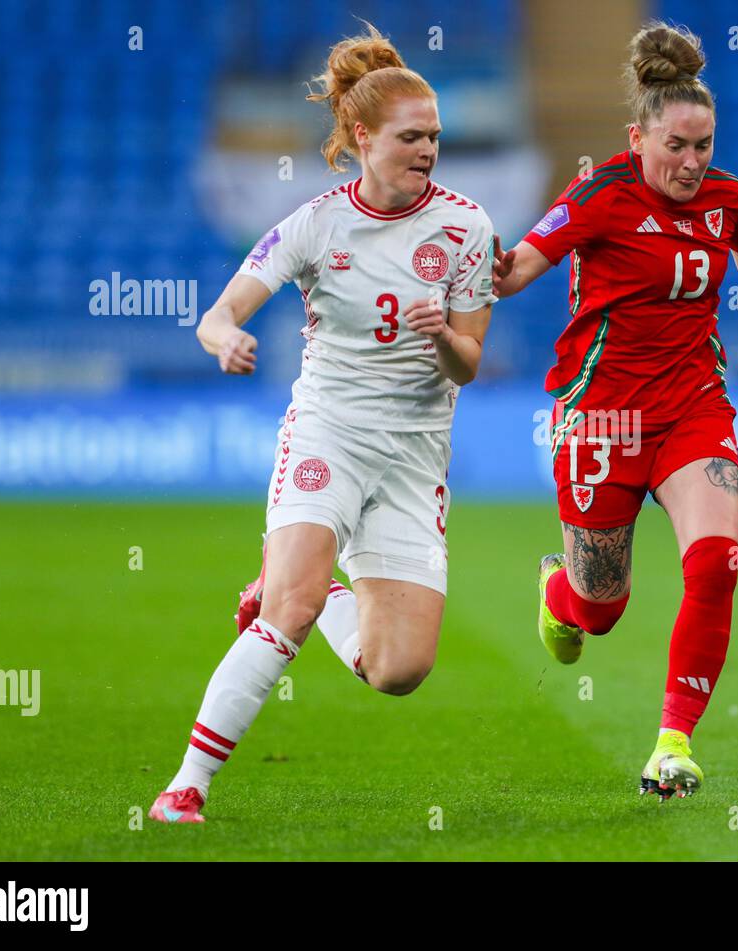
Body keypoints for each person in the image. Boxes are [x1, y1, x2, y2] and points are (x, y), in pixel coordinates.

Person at [493, 22, 738, 800]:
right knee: (599, 612)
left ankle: (672, 744)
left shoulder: (727, 200)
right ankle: (558, 595)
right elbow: (516, 270)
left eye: (704, 144)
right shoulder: (599, 196)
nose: (692, 161)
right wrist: (467, 273)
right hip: (601, 418)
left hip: (691, 408)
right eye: (677, 145)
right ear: (637, 137)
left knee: (715, 565)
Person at [148, 25, 497, 824]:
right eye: (412, 138)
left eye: (436, 137)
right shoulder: (315, 223)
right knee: (290, 611)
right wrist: (227, 336)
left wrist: (443, 334)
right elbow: (220, 313)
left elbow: (471, 362)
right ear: (364, 137)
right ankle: (187, 785)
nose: (428, 151)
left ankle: (303, 589)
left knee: (398, 670)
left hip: (413, 456)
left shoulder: (469, 228)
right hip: (329, 433)